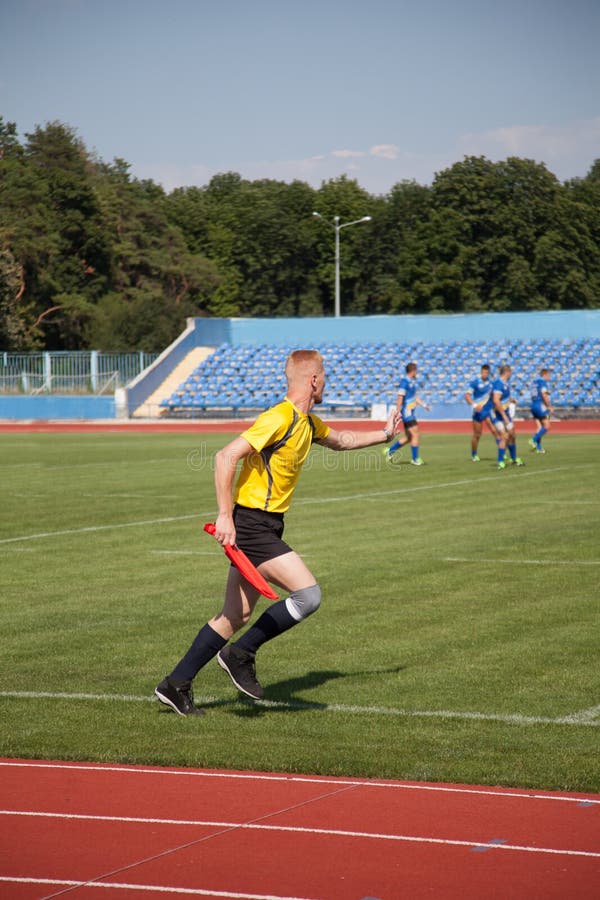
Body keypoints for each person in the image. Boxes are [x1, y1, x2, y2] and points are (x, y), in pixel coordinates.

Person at [155, 349, 400, 716]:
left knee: (233, 616)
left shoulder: (307, 422)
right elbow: (225, 456)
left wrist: (386, 434)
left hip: (265, 524)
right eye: (325, 375)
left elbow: (342, 441)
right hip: (253, 524)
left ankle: (176, 684)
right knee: (309, 595)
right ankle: (241, 652)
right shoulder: (281, 417)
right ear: (314, 379)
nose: (327, 381)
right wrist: (225, 516)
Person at [383, 362, 430, 466]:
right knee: (415, 434)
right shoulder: (404, 382)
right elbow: (400, 397)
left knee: (410, 437)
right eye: (416, 370)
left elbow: (414, 397)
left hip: (409, 412)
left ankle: (390, 451)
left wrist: (424, 405)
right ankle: (415, 459)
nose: (416, 372)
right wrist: (398, 411)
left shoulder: (411, 382)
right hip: (407, 413)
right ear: (413, 371)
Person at [491, 364, 524, 470]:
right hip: (498, 415)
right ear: (507, 373)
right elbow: (496, 400)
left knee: (512, 435)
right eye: (510, 372)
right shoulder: (498, 384)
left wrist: (511, 400)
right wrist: (504, 416)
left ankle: (514, 458)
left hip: (505, 413)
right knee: (504, 436)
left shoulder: (505, 384)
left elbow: (503, 398)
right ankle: (500, 461)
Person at [464, 364, 498, 461]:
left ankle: (502, 453)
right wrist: (474, 405)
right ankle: (474, 455)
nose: (484, 374)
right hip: (478, 411)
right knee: (477, 434)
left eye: (486, 373)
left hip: (487, 410)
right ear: (481, 372)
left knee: (494, 431)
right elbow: (467, 396)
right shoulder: (475, 383)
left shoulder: (491, 384)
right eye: (483, 372)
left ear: (489, 373)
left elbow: (496, 395)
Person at [529, 368, 553, 454]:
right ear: (545, 375)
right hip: (539, 405)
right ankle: (533, 440)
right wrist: (549, 406)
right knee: (547, 426)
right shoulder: (542, 382)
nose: (549, 377)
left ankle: (538, 448)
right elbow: (543, 394)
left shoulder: (534, 382)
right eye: (549, 375)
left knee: (540, 427)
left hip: (533, 404)